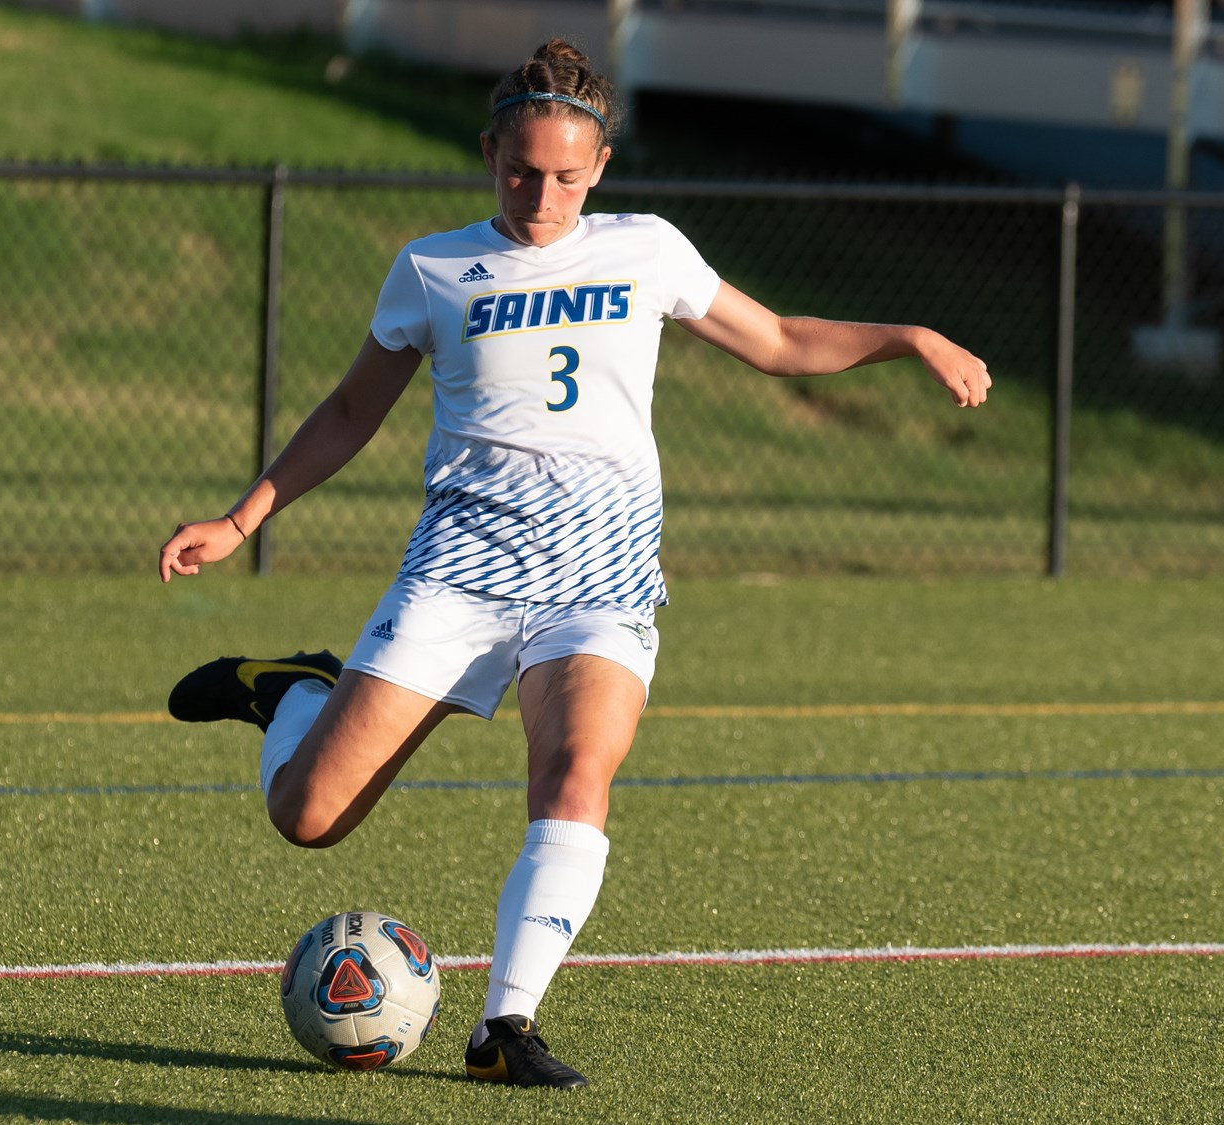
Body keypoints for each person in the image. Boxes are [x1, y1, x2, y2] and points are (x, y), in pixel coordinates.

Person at [156, 39, 990, 1089]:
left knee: (574, 773)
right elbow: (349, 411)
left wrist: (909, 335)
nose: (539, 194)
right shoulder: (433, 267)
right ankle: (290, 693)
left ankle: (505, 1027)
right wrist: (240, 520)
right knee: (308, 817)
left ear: (598, 164)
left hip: (598, 585)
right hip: (457, 576)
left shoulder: (643, 248)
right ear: (487, 152)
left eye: (562, 174)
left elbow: (778, 339)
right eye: (518, 171)